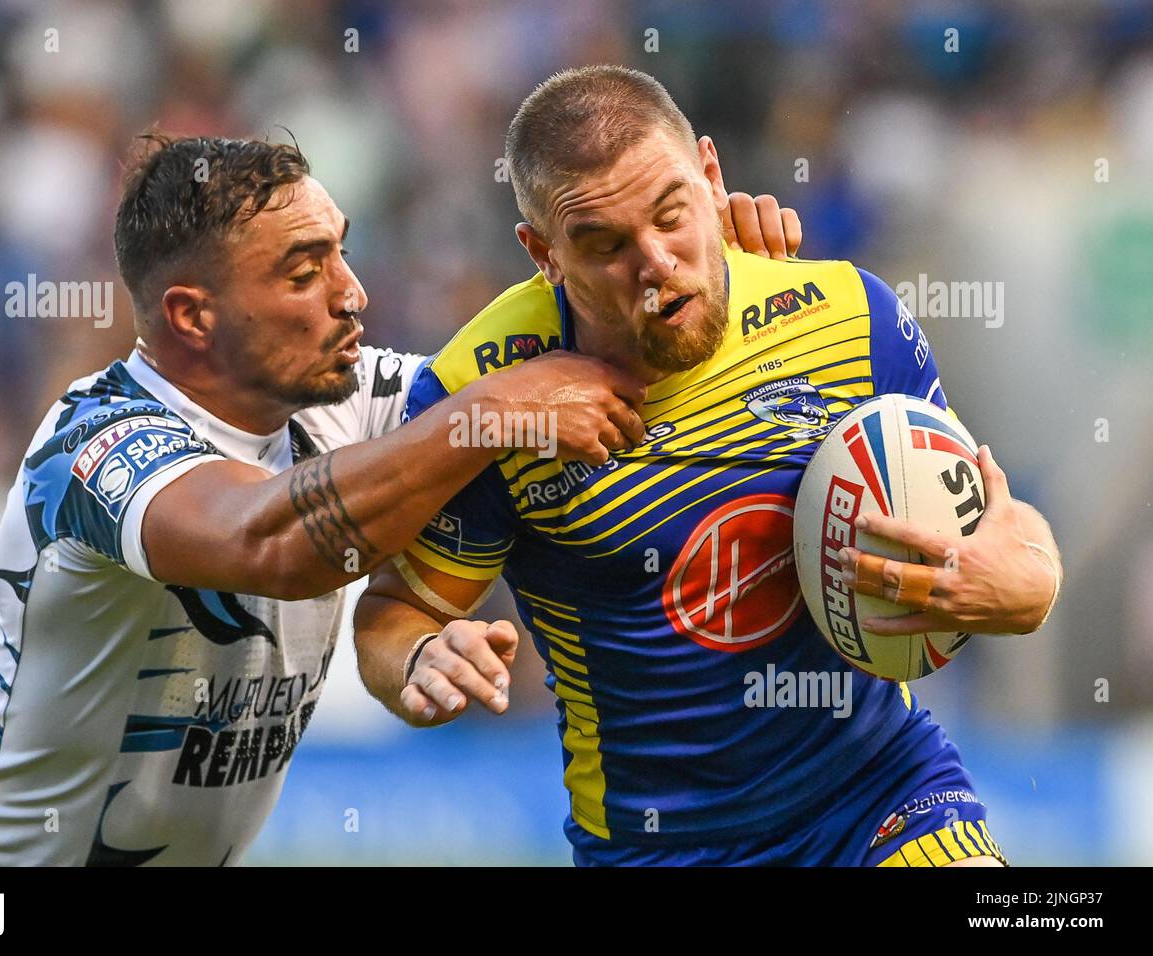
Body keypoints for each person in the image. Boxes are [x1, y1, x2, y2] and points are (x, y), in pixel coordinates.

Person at [0, 133, 800, 865]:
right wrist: (493, 410)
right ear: (192, 317)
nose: (354, 294)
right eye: (304, 272)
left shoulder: (352, 401)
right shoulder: (93, 444)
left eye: (341, 251)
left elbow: (592, 383)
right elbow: (273, 546)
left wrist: (703, 279)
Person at [353, 66, 1063, 867]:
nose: (655, 264)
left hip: (878, 797)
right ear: (543, 253)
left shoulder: (851, 317)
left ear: (712, 178)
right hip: (660, 849)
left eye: (671, 214)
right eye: (605, 245)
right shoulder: (484, 392)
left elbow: (991, 511)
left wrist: (1032, 571)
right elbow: (394, 611)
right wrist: (419, 655)